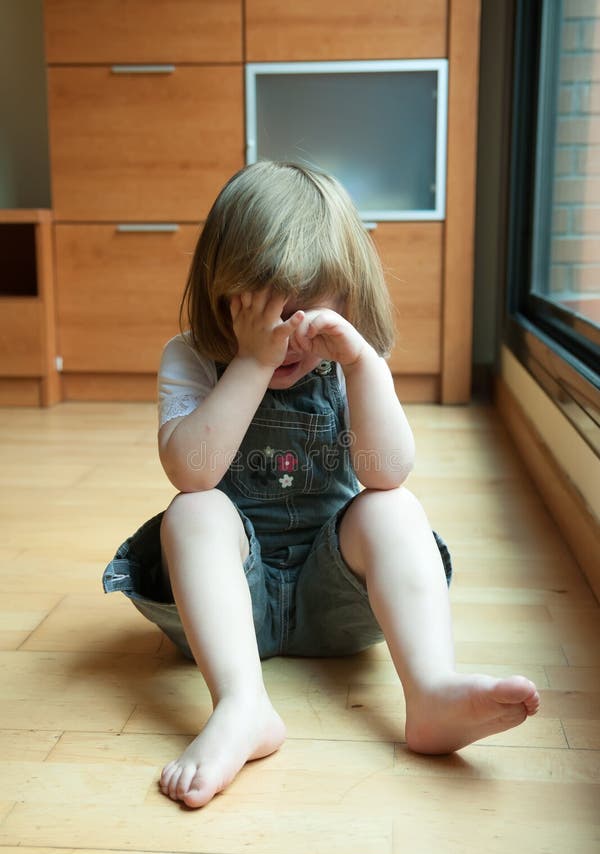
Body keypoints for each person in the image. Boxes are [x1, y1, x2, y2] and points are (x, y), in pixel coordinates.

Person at [103, 161, 540, 810]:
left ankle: (431, 692)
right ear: (220, 293)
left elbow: (386, 471)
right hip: (229, 608)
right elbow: (191, 470)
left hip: (333, 594)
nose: (284, 333)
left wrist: (363, 365)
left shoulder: (348, 362)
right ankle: (242, 705)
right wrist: (248, 364)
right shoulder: (192, 357)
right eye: (260, 309)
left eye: (305, 305)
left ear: (347, 293)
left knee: (394, 508)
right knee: (193, 510)